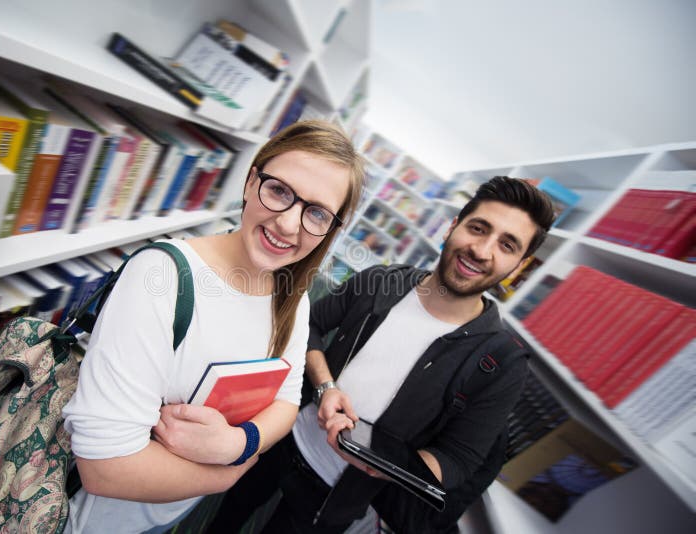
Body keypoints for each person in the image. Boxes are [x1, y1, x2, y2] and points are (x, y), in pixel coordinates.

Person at [61, 120, 365, 534]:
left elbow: (288, 400)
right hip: (81, 520)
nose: (289, 225)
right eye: (278, 191)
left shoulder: (292, 300)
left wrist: (240, 444)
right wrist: (227, 473)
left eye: (316, 213)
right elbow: (105, 468)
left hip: (164, 515)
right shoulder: (164, 277)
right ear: (250, 180)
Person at [205, 176, 556, 533]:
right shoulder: (381, 281)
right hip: (281, 436)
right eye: (478, 228)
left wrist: (391, 466)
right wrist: (326, 386)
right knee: (225, 516)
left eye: (507, 245)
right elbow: (307, 325)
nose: (482, 250)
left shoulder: (502, 362)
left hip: (335, 494)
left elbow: (459, 459)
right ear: (453, 226)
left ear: (520, 265)